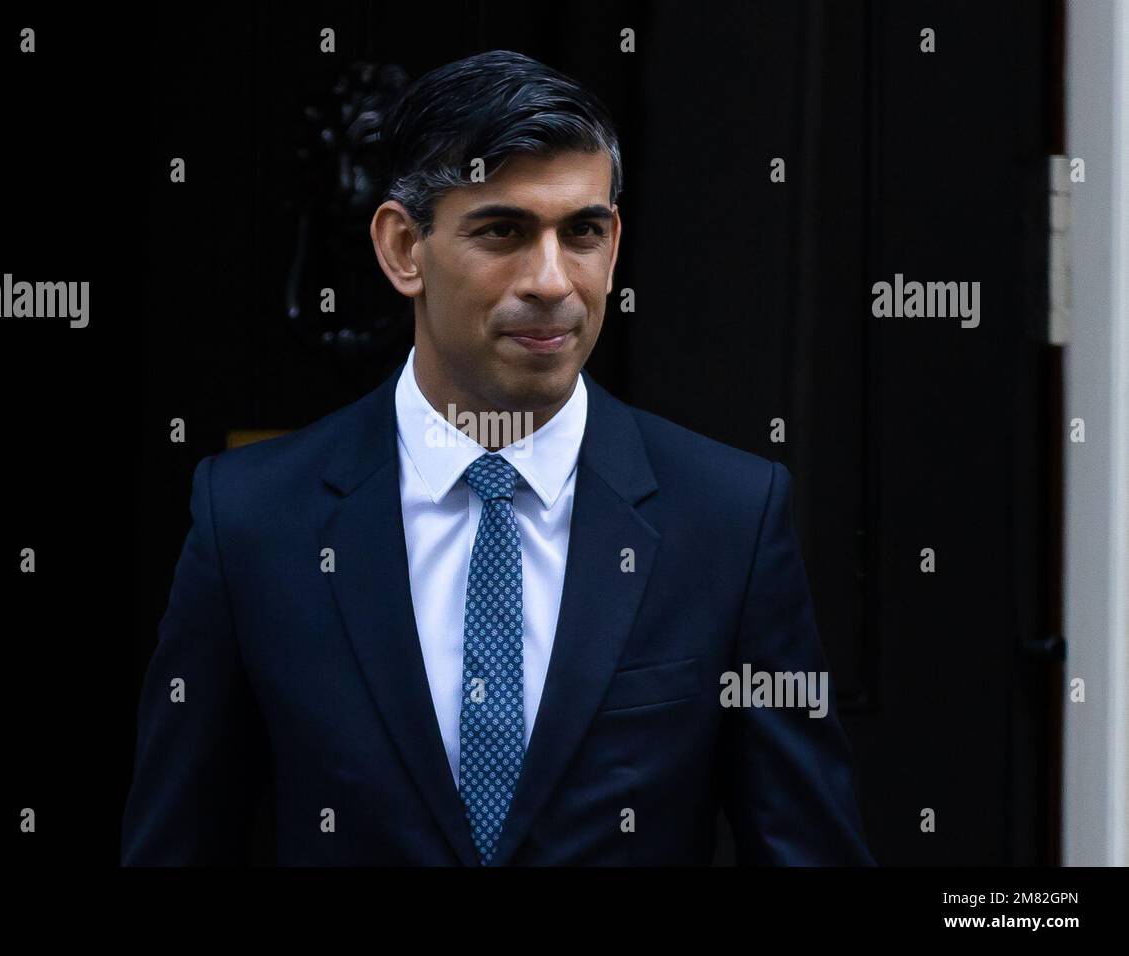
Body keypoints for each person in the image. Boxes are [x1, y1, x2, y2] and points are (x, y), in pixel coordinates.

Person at [120, 49, 875, 866]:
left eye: (581, 231)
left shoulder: (727, 517)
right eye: (503, 231)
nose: (552, 280)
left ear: (614, 244)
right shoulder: (254, 519)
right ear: (403, 247)